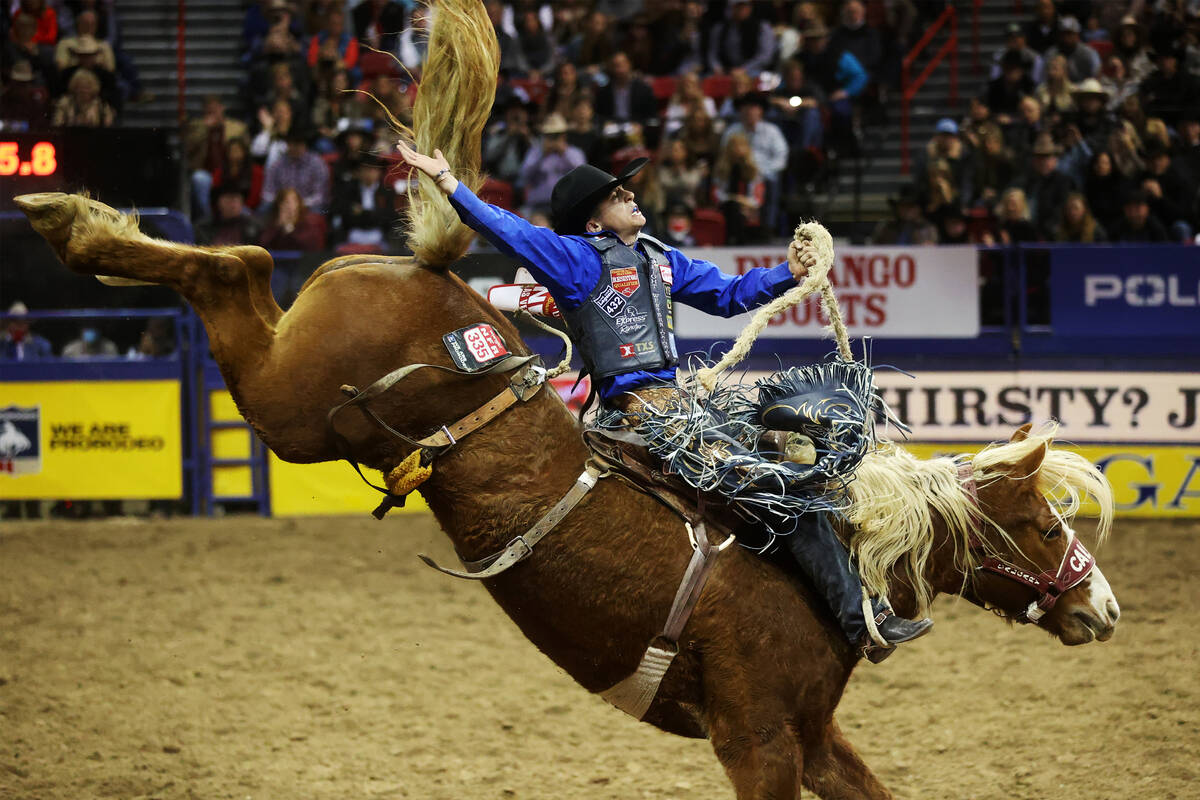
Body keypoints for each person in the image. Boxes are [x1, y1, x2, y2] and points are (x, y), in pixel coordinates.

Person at [397, 140, 934, 663]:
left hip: (680, 407)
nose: (631, 195)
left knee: (798, 455)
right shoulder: (576, 259)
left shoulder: (658, 258)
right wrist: (449, 183)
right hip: (640, 412)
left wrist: (787, 274)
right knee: (778, 484)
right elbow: (510, 231)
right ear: (593, 223)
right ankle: (861, 621)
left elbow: (728, 294)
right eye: (616, 195)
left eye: (627, 190)